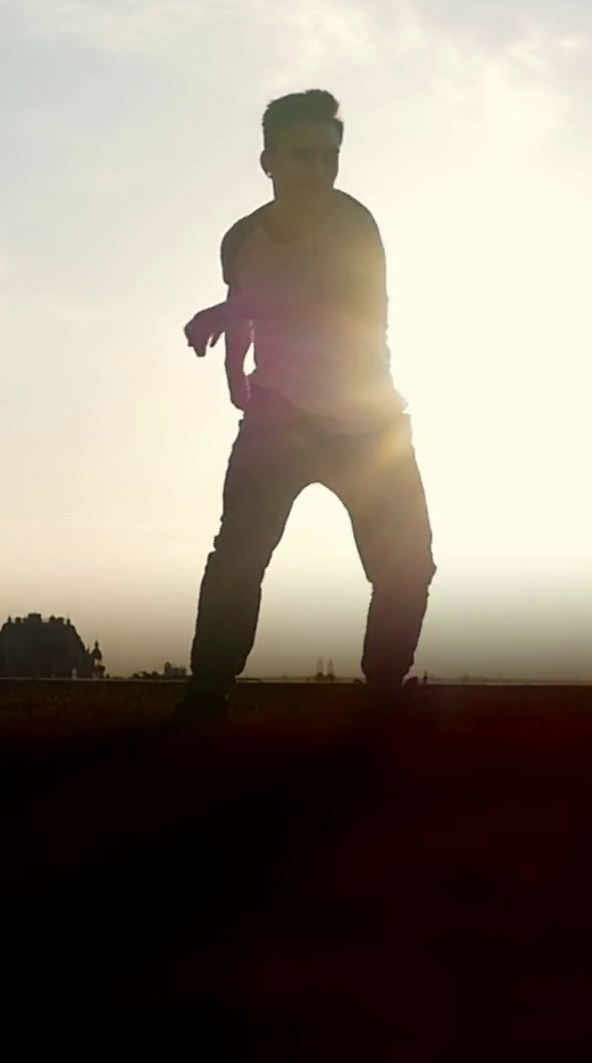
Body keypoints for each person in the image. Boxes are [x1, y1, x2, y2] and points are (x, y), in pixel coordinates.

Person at [173, 89, 435, 723]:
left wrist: (230, 313)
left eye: (330, 156)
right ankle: (208, 693)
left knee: (408, 563)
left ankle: (383, 693)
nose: (320, 170)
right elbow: (249, 298)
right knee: (238, 556)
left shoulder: (353, 224)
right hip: (278, 419)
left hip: (367, 424)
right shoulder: (241, 237)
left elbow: (315, 301)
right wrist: (236, 369)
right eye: (303, 157)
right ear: (269, 162)